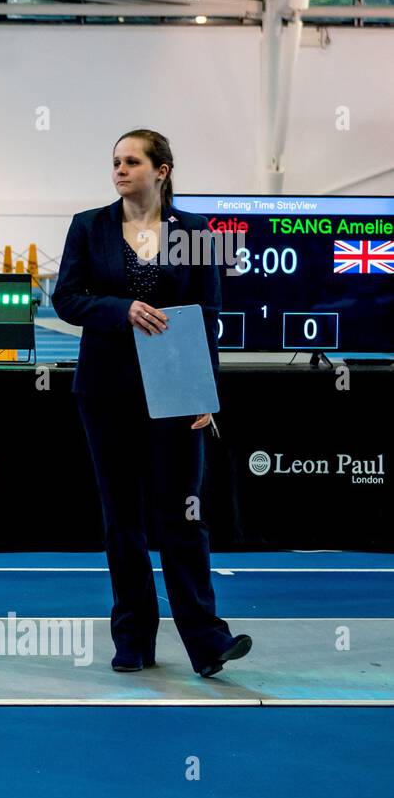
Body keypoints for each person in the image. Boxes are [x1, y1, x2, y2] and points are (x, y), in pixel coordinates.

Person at [51, 128, 252, 678]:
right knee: (123, 521)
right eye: (115, 161)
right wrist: (122, 309)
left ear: (161, 170)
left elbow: (209, 314)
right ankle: (133, 638)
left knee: (184, 518)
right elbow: (66, 298)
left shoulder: (196, 233)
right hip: (106, 390)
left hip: (177, 390)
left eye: (132, 161)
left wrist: (205, 392)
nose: (119, 170)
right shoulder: (88, 227)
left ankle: (208, 642)